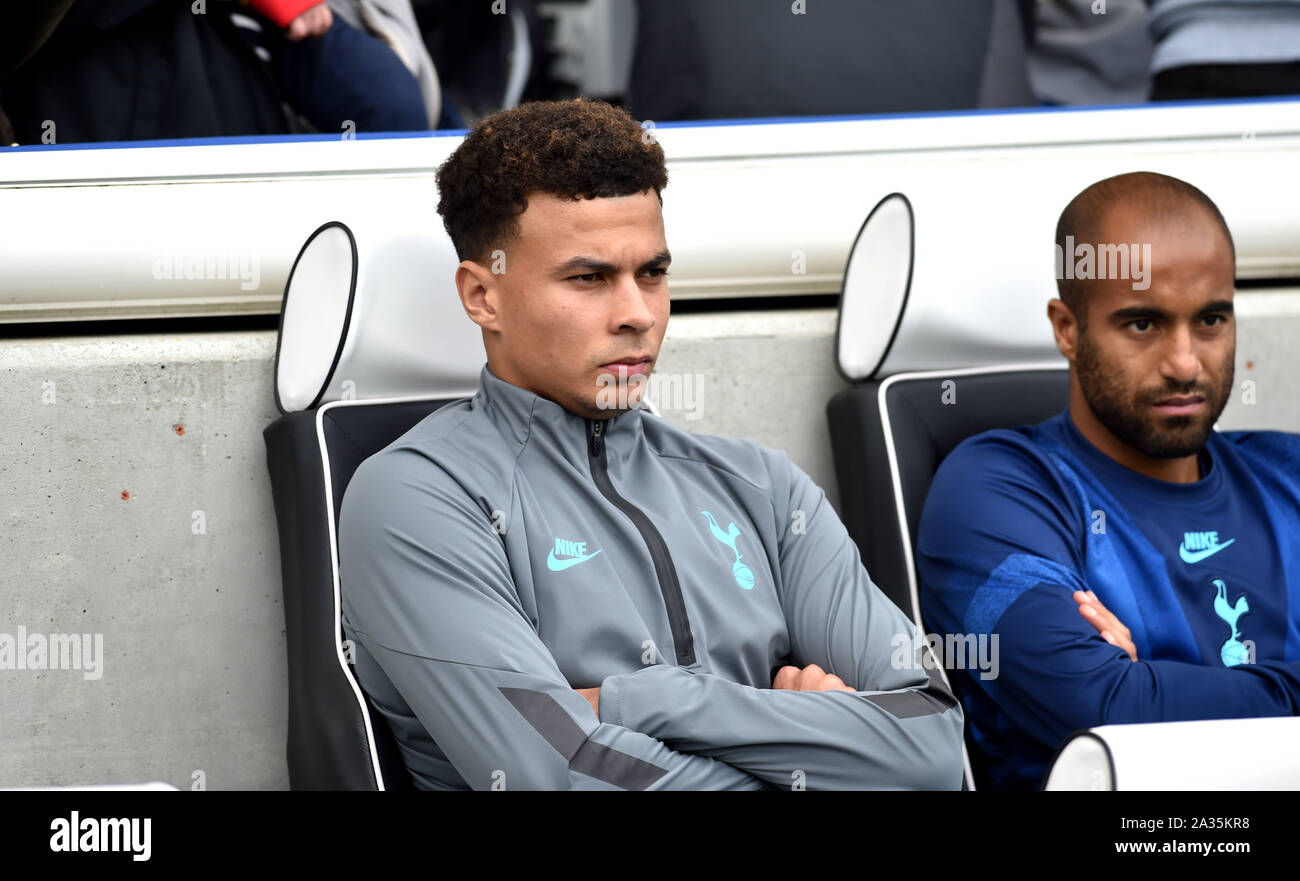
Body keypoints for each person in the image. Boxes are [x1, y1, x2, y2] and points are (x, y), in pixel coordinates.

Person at [337, 98, 964, 791]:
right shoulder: (414, 499)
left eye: (653, 274)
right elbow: (560, 774)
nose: (637, 313)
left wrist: (635, 700)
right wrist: (813, 738)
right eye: (589, 277)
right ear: (483, 295)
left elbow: (933, 739)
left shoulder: (764, 488)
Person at [917, 171, 1300, 790]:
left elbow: (1136, 702)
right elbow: (1108, 709)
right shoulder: (996, 489)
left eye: (1210, 320)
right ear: (1068, 329)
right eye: (1142, 324)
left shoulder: (1289, 474)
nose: (1184, 362)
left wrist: (1153, 678)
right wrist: (1132, 694)